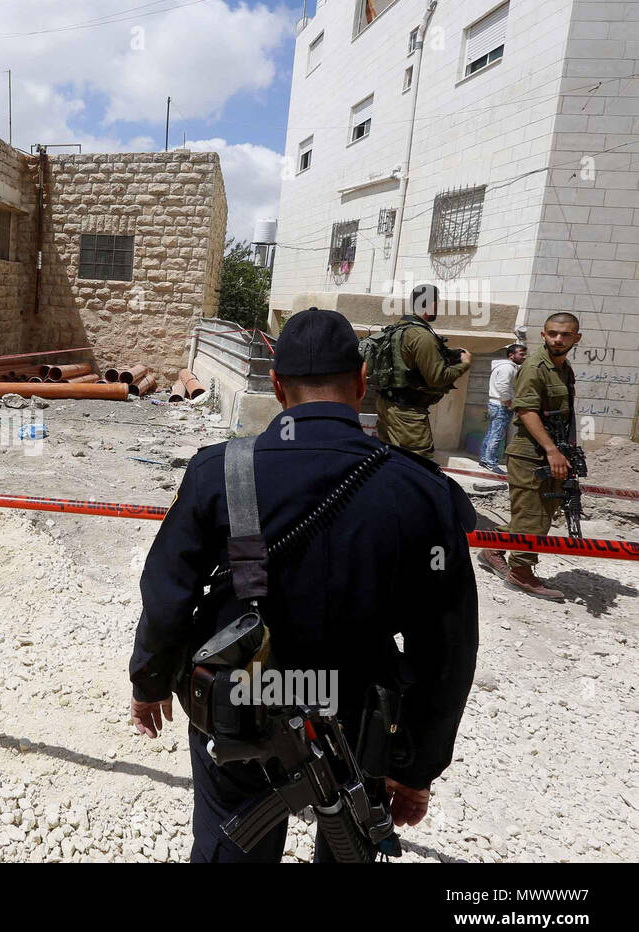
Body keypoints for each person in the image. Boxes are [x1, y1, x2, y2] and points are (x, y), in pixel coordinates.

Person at [129, 307, 478, 863]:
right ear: (362, 383)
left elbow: (168, 593)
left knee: (231, 843)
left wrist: (148, 681)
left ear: (275, 383)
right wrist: (416, 765)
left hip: (243, 699)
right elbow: (447, 647)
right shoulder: (421, 492)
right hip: (359, 712)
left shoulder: (218, 470)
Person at [477, 313, 582, 600]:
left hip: (552, 452)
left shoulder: (563, 369)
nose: (558, 339)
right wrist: (551, 450)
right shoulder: (535, 367)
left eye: (565, 334)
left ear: (576, 338)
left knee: (540, 513)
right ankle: (520, 572)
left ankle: (493, 548)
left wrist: (565, 450)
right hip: (530, 455)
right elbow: (526, 411)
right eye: (552, 333)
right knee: (533, 517)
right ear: (544, 335)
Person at [374, 284, 472, 459]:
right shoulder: (422, 336)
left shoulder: (400, 327)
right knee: (419, 464)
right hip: (407, 414)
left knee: (389, 460)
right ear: (430, 304)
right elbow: (437, 378)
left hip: (388, 405)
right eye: (437, 303)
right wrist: (464, 364)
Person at [478, 342, 527, 474]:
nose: (524, 357)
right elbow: (503, 386)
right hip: (500, 406)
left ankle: (484, 459)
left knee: (492, 433)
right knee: (496, 435)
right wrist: (508, 402)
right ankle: (490, 463)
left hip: (496, 404)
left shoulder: (508, 367)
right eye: (521, 354)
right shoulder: (508, 368)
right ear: (511, 355)